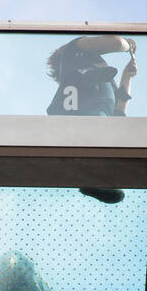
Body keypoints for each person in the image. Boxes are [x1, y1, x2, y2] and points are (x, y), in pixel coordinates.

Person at [45, 35, 138, 204]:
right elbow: (116, 42)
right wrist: (128, 48)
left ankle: (89, 177)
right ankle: (90, 176)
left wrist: (127, 73)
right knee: (102, 134)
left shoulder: (102, 83)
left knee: (103, 134)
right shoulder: (73, 54)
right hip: (83, 124)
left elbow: (118, 113)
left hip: (86, 128)